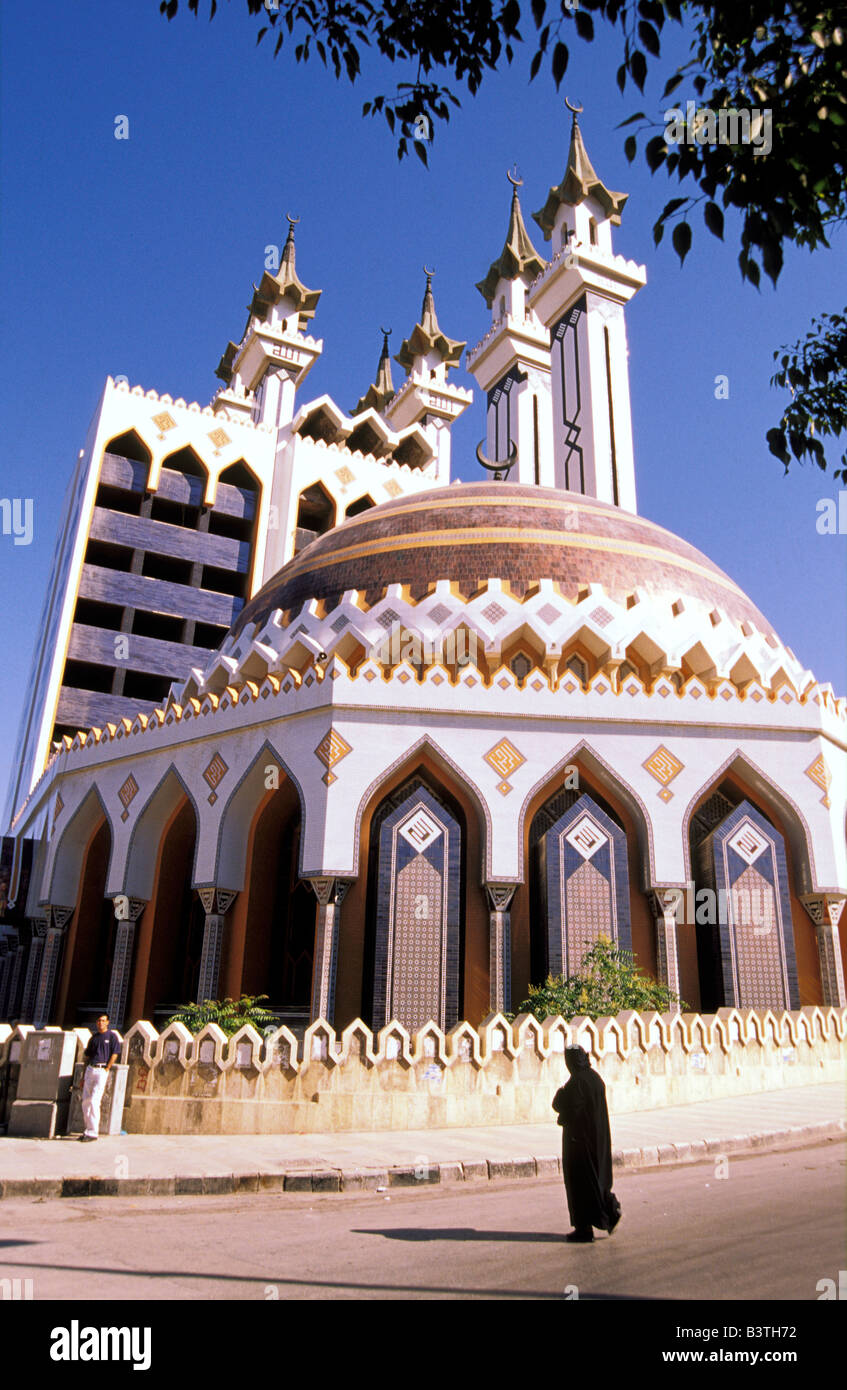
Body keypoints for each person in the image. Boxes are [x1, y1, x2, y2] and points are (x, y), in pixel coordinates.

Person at [552, 1045, 621, 1243]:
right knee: (597, 1180)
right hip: (598, 1141)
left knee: (579, 1185)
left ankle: (584, 1228)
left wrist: (560, 1095)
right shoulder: (595, 1078)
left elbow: (561, 1105)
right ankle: (611, 1212)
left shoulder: (577, 1082)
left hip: (579, 1143)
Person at [79, 1013, 121, 1141]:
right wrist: (83, 1075)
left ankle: (93, 1133)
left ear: (107, 1022)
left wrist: (107, 1068)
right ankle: (87, 1131)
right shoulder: (94, 1038)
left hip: (102, 1070)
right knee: (85, 1102)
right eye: (98, 1021)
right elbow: (87, 1056)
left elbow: (115, 1053)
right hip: (90, 1069)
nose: (100, 1023)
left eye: (103, 1021)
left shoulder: (112, 1036)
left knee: (94, 1101)